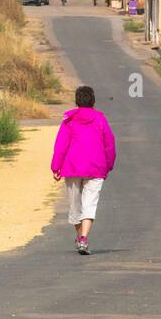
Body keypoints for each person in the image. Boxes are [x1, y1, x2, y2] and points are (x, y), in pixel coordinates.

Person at [50, 85, 117, 254]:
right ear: (93, 101)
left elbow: (61, 145)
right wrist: (108, 165)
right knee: (90, 203)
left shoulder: (69, 120)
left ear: (76, 100)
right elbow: (109, 143)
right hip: (96, 167)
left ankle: (80, 237)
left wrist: (56, 166)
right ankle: (83, 238)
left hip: (72, 166)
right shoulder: (100, 119)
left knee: (74, 204)